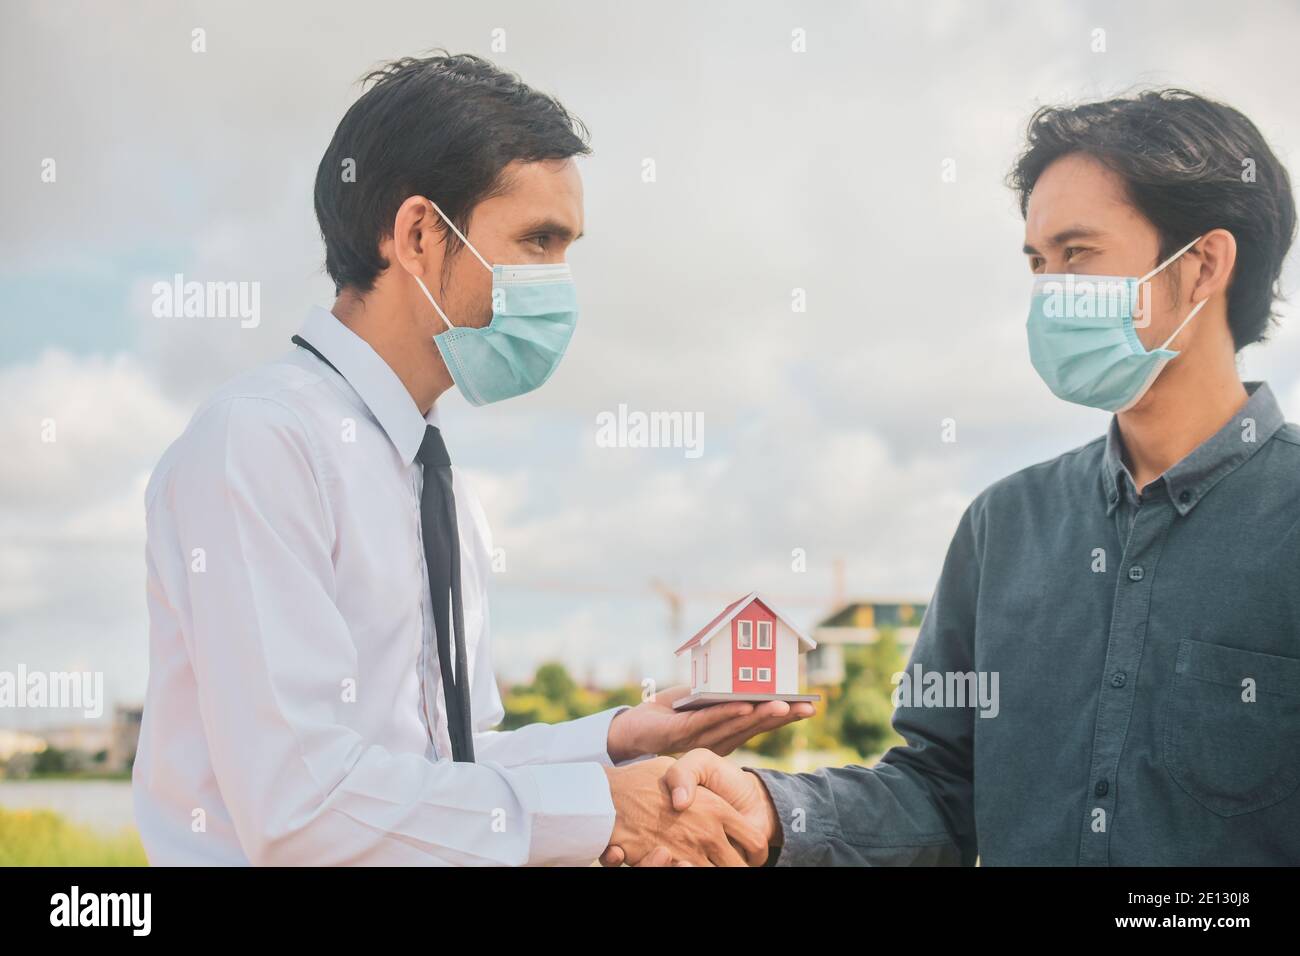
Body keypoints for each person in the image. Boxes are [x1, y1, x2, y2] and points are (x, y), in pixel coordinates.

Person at [133, 52, 810, 866]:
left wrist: (622, 741)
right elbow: (302, 806)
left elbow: (439, 773)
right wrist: (602, 811)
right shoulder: (261, 444)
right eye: (538, 241)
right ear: (420, 235)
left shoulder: (434, 481)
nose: (559, 284)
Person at [630, 89, 1300, 866]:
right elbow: (939, 792)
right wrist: (776, 814)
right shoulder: (1004, 526)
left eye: (1077, 254)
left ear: (1203, 266)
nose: (1050, 291)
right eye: (1037, 263)